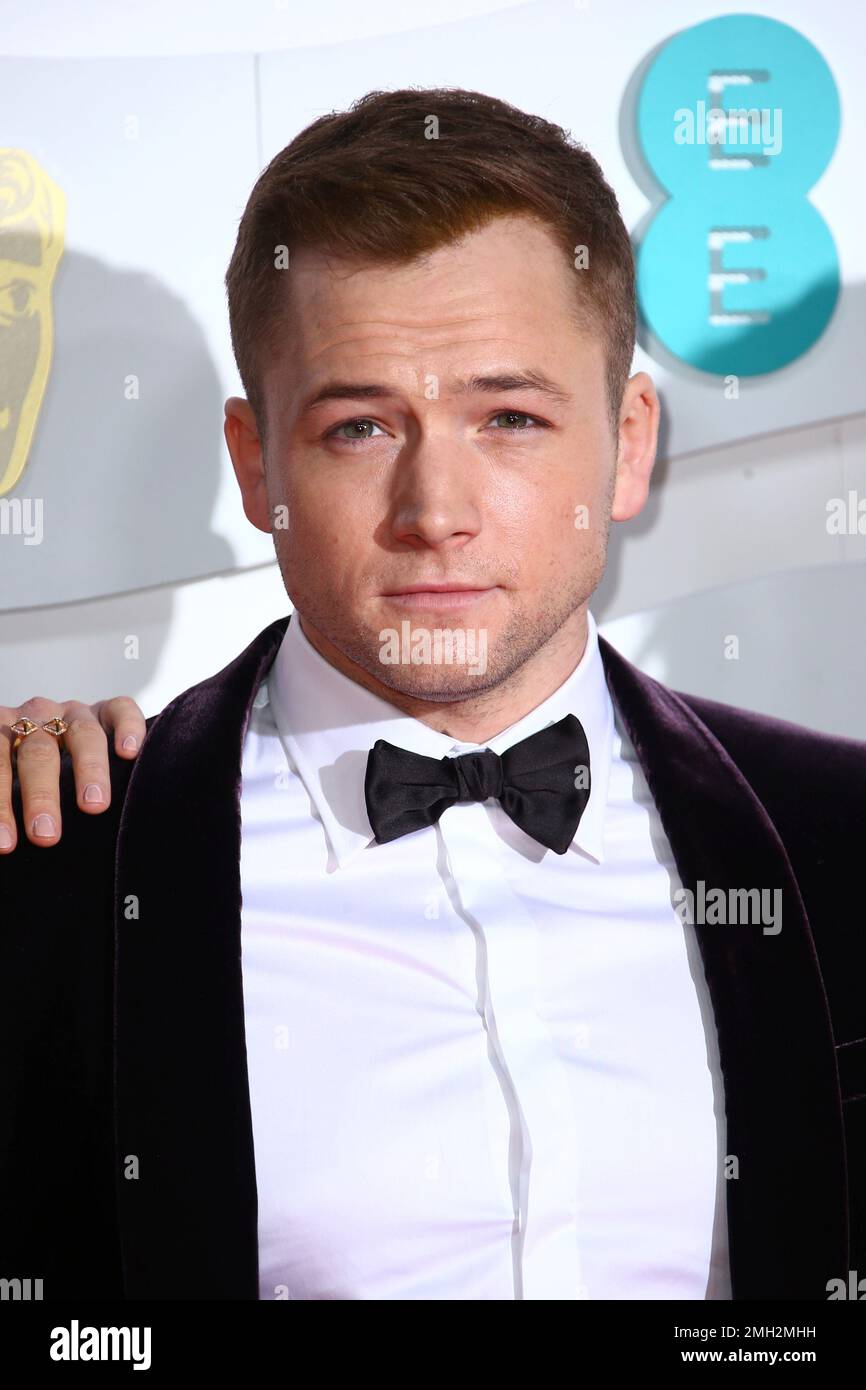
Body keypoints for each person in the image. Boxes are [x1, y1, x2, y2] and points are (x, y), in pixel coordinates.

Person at [1, 87, 864, 1303]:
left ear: (625, 444)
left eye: (508, 416)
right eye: (360, 427)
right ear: (258, 467)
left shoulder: (842, 835)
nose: (434, 511)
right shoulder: (57, 868)